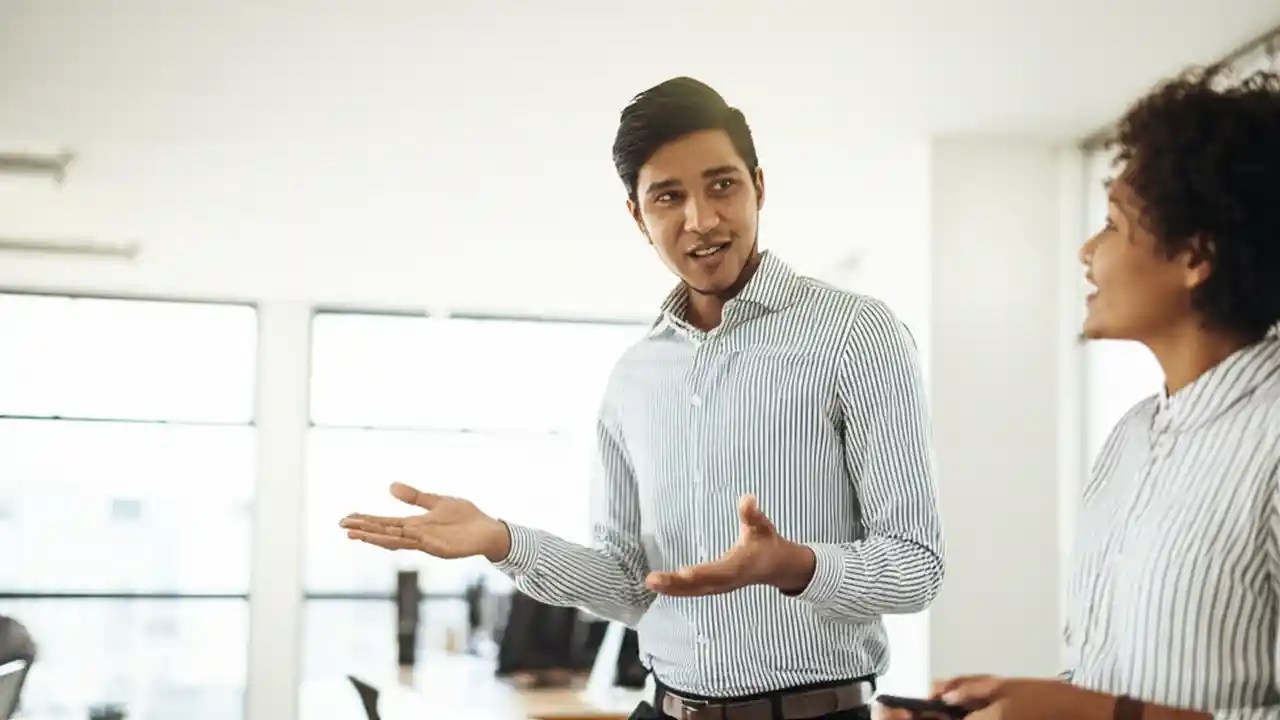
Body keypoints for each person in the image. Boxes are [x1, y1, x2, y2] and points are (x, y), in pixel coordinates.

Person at [341, 76, 945, 720]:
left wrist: (792, 565)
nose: (701, 220)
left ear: (759, 187)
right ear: (638, 216)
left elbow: (915, 567)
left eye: (722, 186)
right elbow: (631, 585)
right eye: (668, 197)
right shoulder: (634, 377)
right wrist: (502, 541)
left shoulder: (857, 333)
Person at [877, 66, 1280, 720]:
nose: (1087, 251)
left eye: (1114, 225)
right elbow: (1109, 682)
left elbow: (1114, 711)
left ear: (1194, 258)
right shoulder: (1132, 438)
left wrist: (1098, 714)